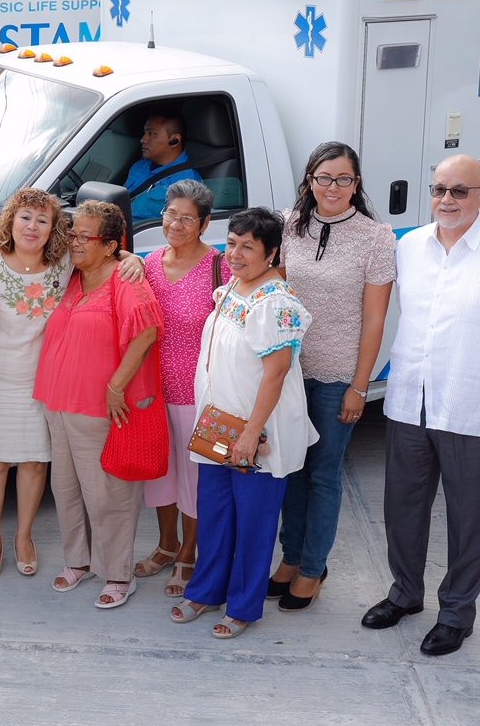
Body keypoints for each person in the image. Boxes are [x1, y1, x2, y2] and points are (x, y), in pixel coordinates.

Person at [361, 154, 480, 657]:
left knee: (469, 520)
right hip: (410, 403)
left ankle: (456, 614)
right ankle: (405, 593)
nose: (447, 200)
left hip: (475, 411)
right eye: (439, 189)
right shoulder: (409, 248)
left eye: (460, 191)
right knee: (402, 508)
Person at [0, 188, 143, 580]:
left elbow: (105, 255)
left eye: (42, 220)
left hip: (43, 384)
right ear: (11, 221)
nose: (32, 226)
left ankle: (24, 537)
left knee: (33, 463)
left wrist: (132, 258)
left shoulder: (64, 265)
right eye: (25, 217)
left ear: (53, 230)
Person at [171, 207, 316, 640]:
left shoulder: (277, 304)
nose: (235, 254)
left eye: (248, 247)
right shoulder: (234, 286)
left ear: (271, 254)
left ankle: (243, 606)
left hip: (258, 433)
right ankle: (206, 590)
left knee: (254, 524)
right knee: (215, 514)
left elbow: (276, 373)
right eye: (231, 243)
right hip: (218, 426)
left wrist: (252, 434)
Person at [270, 142, 396, 610]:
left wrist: (360, 386)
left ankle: (312, 568)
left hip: (338, 376)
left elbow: (375, 321)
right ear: (310, 181)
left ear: (356, 184)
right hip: (288, 372)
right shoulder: (288, 225)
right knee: (291, 469)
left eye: (344, 179)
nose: (333, 187)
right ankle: (290, 557)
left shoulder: (377, 238)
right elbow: (274, 290)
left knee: (323, 473)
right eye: (324, 178)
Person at [33, 200, 163, 610]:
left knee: (108, 497)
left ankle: (119, 574)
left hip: (98, 409)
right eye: (73, 234)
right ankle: (78, 561)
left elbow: (147, 331)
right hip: (58, 402)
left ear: (109, 245)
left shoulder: (124, 280)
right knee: (66, 489)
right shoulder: (74, 274)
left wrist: (115, 387)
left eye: (84, 236)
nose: (74, 242)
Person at [133, 180, 229, 598]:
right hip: (155, 388)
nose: (176, 224)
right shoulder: (150, 263)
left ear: (205, 225)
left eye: (187, 218)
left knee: (195, 479)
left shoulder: (220, 267)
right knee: (161, 473)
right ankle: (166, 544)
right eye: (171, 214)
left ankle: (190, 552)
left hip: (199, 392)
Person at [124, 115, 202, 222]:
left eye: (152, 134)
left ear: (174, 140)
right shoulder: (141, 165)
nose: (143, 139)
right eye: (145, 133)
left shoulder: (186, 184)